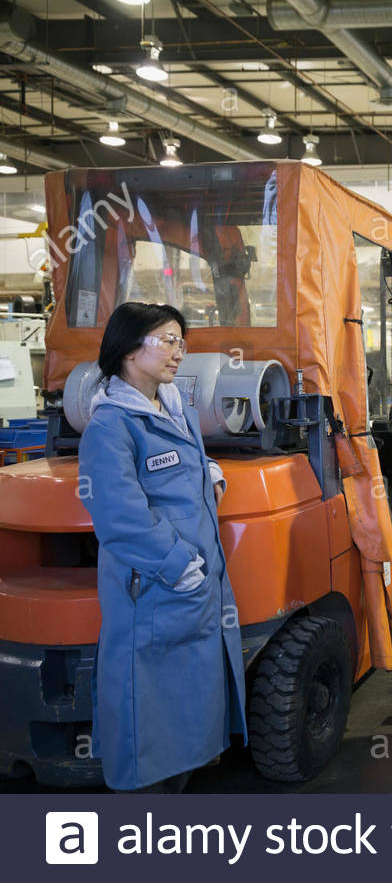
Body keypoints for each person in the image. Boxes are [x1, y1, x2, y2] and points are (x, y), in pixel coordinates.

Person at [78, 302, 244, 792]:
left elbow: (184, 462)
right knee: (148, 721)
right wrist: (180, 567)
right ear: (130, 349)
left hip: (191, 588)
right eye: (167, 341)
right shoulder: (111, 426)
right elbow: (121, 518)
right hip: (153, 589)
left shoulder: (175, 407)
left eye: (180, 342)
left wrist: (207, 471)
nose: (178, 353)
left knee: (188, 714)